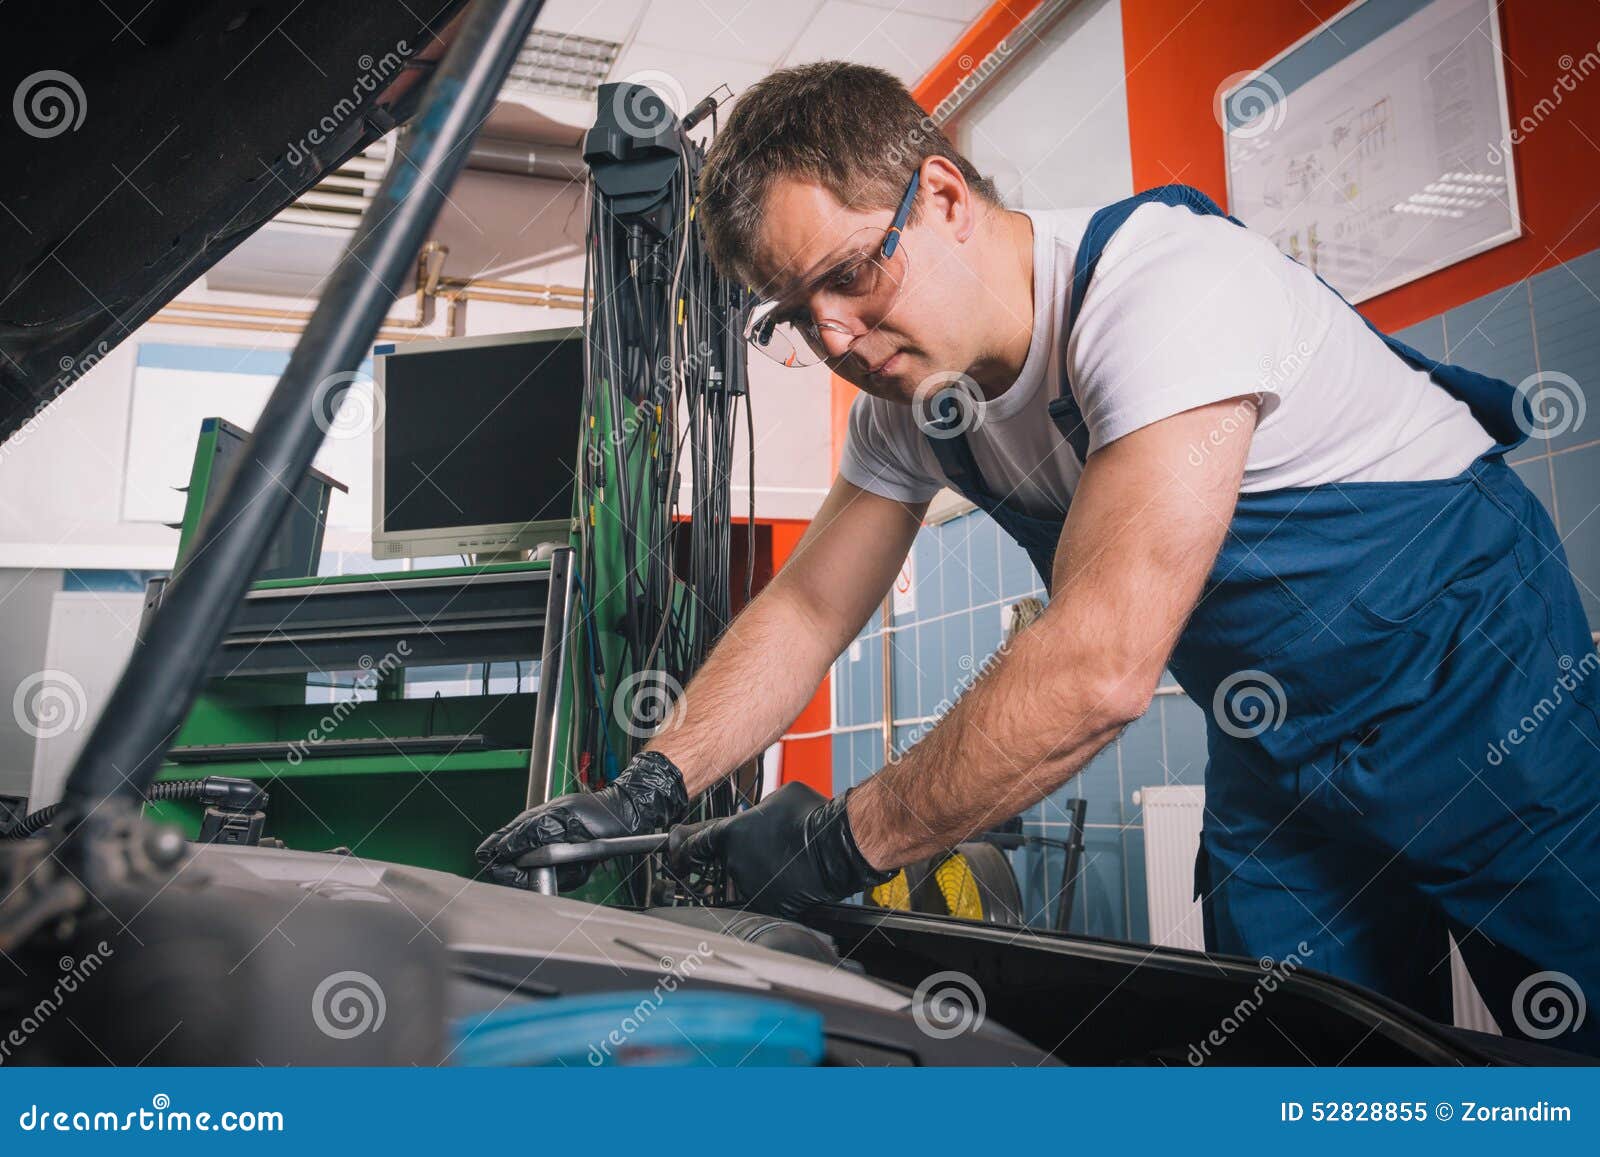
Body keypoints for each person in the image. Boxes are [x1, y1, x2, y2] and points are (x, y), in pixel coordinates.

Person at [477, 63, 1600, 1054]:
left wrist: (840, 846)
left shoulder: (1165, 291)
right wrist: (647, 783)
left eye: (849, 274)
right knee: (1287, 1059)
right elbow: (810, 607)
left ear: (946, 198)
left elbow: (1102, 664)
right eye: (793, 313)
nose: (830, 338)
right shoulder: (914, 408)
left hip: (1483, 690)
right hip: (1277, 743)